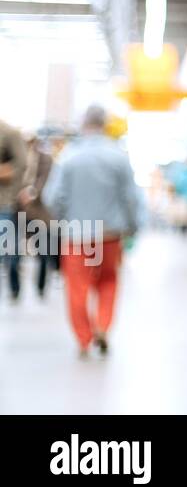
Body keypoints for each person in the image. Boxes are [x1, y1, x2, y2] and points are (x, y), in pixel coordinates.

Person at [43, 106, 145, 357]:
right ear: (105, 124)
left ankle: (84, 338)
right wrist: (132, 226)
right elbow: (131, 198)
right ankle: (103, 325)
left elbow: (53, 197)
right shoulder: (118, 157)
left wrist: (62, 221)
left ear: (83, 123)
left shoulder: (69, 157)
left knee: (77, 287)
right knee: (108, 281)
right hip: (109, 235)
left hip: (76, 236)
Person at [16, 135, 58, 299]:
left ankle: (41, 284)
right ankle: (15, 287)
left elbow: (44, 180)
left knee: (43, 251)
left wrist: (32, 193)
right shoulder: (17, 157)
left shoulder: (46, 159)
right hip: (18, 211)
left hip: (40, 213)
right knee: (13, 251)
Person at [0, 116, 30, 301]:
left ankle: (14, 286)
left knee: (9, 253)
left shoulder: (9, 133)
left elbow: (22, 164)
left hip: (5, 203)